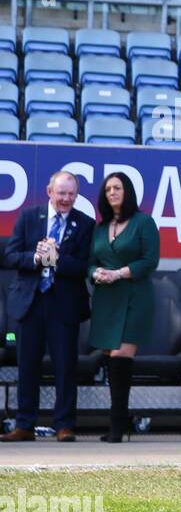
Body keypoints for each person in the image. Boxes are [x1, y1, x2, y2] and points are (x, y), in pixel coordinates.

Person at [0, 172, 93, 442]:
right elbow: (10, 256)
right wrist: (37, 258)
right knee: (27, 365)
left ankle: (64, 425)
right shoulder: (29, 216)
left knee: (65, 367)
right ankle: (24, 424)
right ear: (49, 191)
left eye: (71, 194)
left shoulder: (85, 224)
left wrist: (56, 259)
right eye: (61, 193)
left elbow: (83, 265)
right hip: (30, 303)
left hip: (63, 304)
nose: (66, 199)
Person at [88, 173, 160, 443]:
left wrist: (118, 273)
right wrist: (96, 273)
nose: (112, 193)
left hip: (135, 297)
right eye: (108, 189)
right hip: (106, 299)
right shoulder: (100, 227)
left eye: (117, 188)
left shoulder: (144, 222)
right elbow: (90, 262)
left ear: (127, 191)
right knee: (111, 359)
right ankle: (117, 422)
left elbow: (150, 260)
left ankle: (117, 427)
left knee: (120, 357)